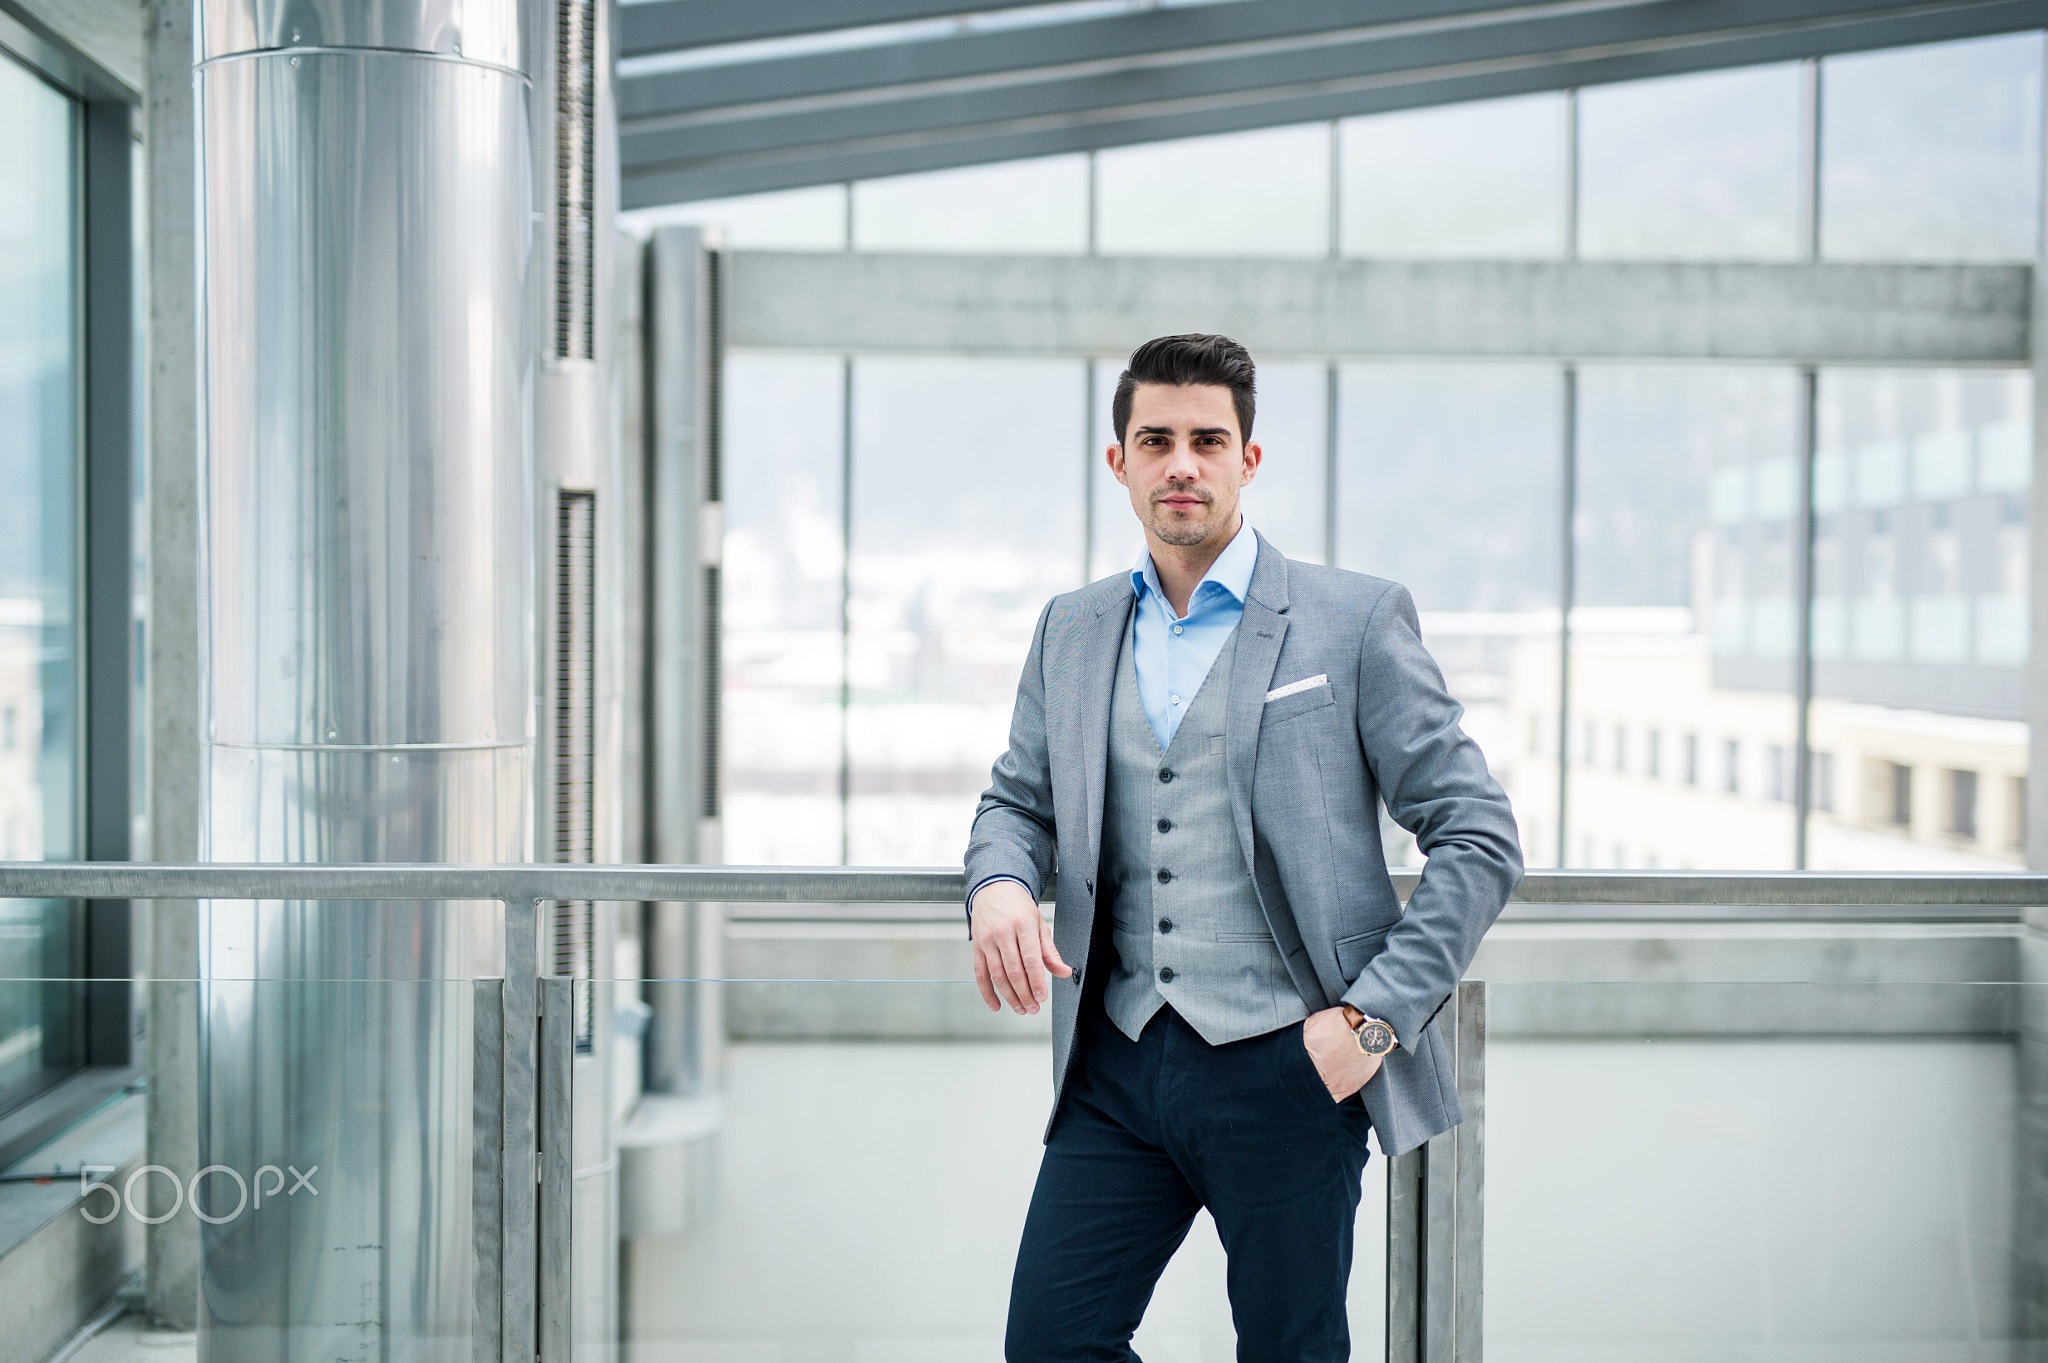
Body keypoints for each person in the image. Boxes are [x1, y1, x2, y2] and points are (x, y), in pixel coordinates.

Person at [964, 334, 1523, 1361]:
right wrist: (999, 881)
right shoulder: (1071, 627)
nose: (1181, 463)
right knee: (1049, 1343)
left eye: (1206, 440)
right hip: (1116, 1064)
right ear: (1118, 462)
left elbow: (1478, 834)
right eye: (1156, 439)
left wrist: (1369, 1020)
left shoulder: (1350, 620)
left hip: (1289, 1064)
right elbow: (1018, 799)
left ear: (1245, 461)